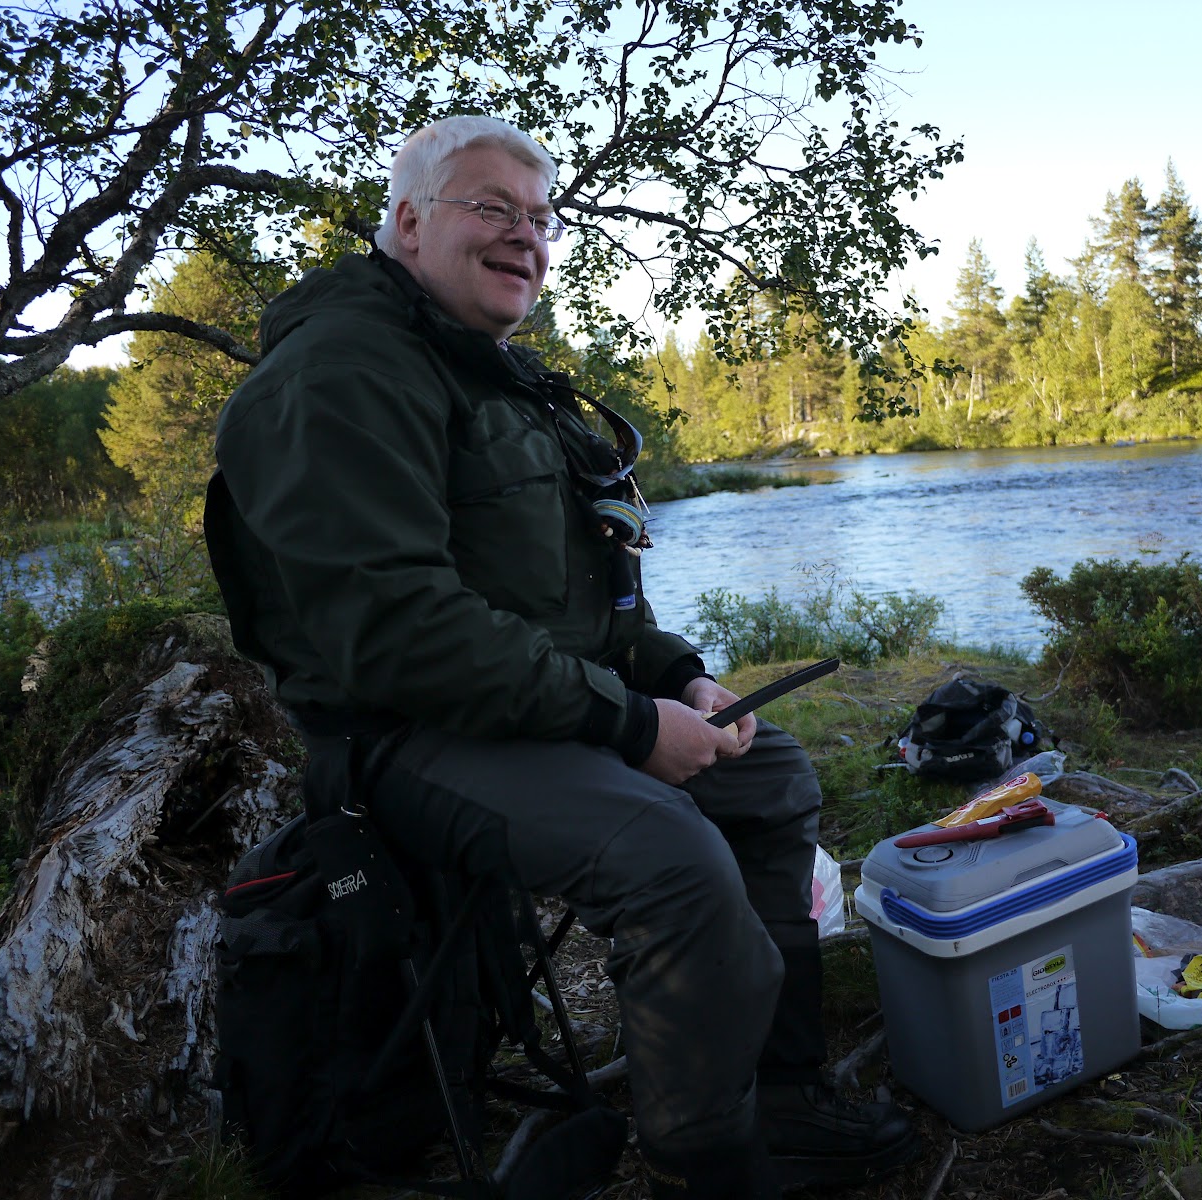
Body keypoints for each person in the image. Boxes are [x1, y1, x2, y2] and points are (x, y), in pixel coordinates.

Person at [207, 114, 916, 1198]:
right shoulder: (339, 375)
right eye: (491, 208)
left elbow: (580, 604)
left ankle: (779, 1096)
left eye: (541, 219)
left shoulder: (491, 375)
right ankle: (706, 1163)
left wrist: (678, 679)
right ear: (406, 222)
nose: (525, 237)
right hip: (404, 740)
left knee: (766, 777)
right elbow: (399, 631)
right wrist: (628, 728)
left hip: (515, 712)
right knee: (671, 858)